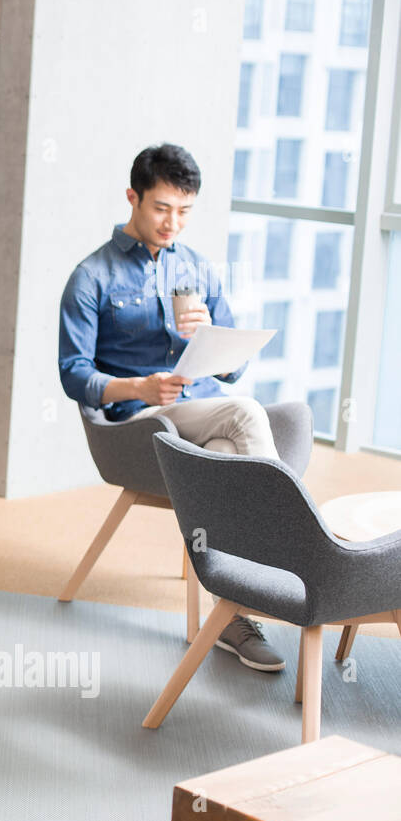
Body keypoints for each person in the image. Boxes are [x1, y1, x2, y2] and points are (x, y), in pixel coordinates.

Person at [57, 143, 285, 674]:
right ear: (133, 197)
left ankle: (230, 613)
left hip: (197, 413)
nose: (172, 222)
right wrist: (139, 385)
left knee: (229, 445)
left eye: (184, 211)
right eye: (162, 208)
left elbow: (231, 369)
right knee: (246, 416)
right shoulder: (92, 276)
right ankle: (283, 559)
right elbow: (73, 374)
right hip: (136, 428)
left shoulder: (199, 269)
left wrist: (208, 338)